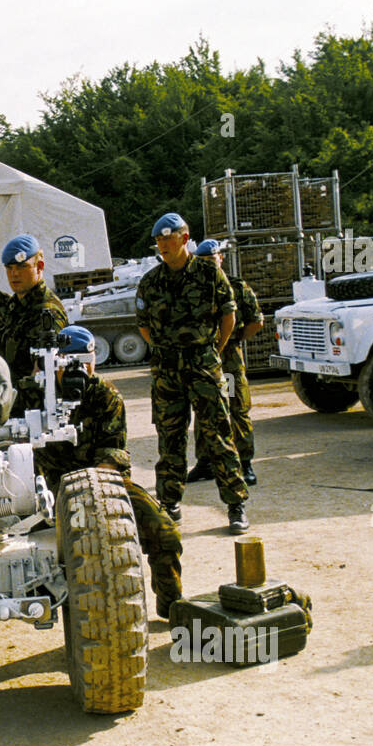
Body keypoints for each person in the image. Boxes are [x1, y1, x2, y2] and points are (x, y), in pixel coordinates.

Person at [36, 326, 184, 618]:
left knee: (165, 533)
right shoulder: (34, 395)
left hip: (101, 482)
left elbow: (111, 459)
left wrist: (86, 502)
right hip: (47, 489)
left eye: (86, 361)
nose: (80, 370)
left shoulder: (106, 397)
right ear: (55, 362)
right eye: (70, 362)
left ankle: (172, 607)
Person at [134, 213, 249, 533]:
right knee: (169, 439)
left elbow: (229, 317)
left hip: (205, 367)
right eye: (158, 241)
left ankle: (236, 504)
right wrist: (166, 350)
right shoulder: (151, 281)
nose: (162, 247)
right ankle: (169, 504)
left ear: (184, 239)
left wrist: (211, 349)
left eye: (167, 240)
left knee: (218, 435)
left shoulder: (209, 274)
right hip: (166, 372)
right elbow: (143, 327)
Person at [186, 239, 261, 485]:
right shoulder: (192, 289)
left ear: (221, 258)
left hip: (227, 360)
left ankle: (245, 463)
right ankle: (205, 462)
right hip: (203, 359)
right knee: (204, 409)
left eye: (213, 259)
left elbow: (256, 321)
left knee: (237, 408)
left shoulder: (237, 288)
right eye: (203, 261)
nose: (209, 264)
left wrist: (235, 339)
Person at [0, 234, 68, 412]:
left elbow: (42, 373)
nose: (14, 274)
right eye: (9, 268)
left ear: (39, 266)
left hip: (35, 412)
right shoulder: (15, 305)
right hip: (11, 404)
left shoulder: (47, 311)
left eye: (22, 267)